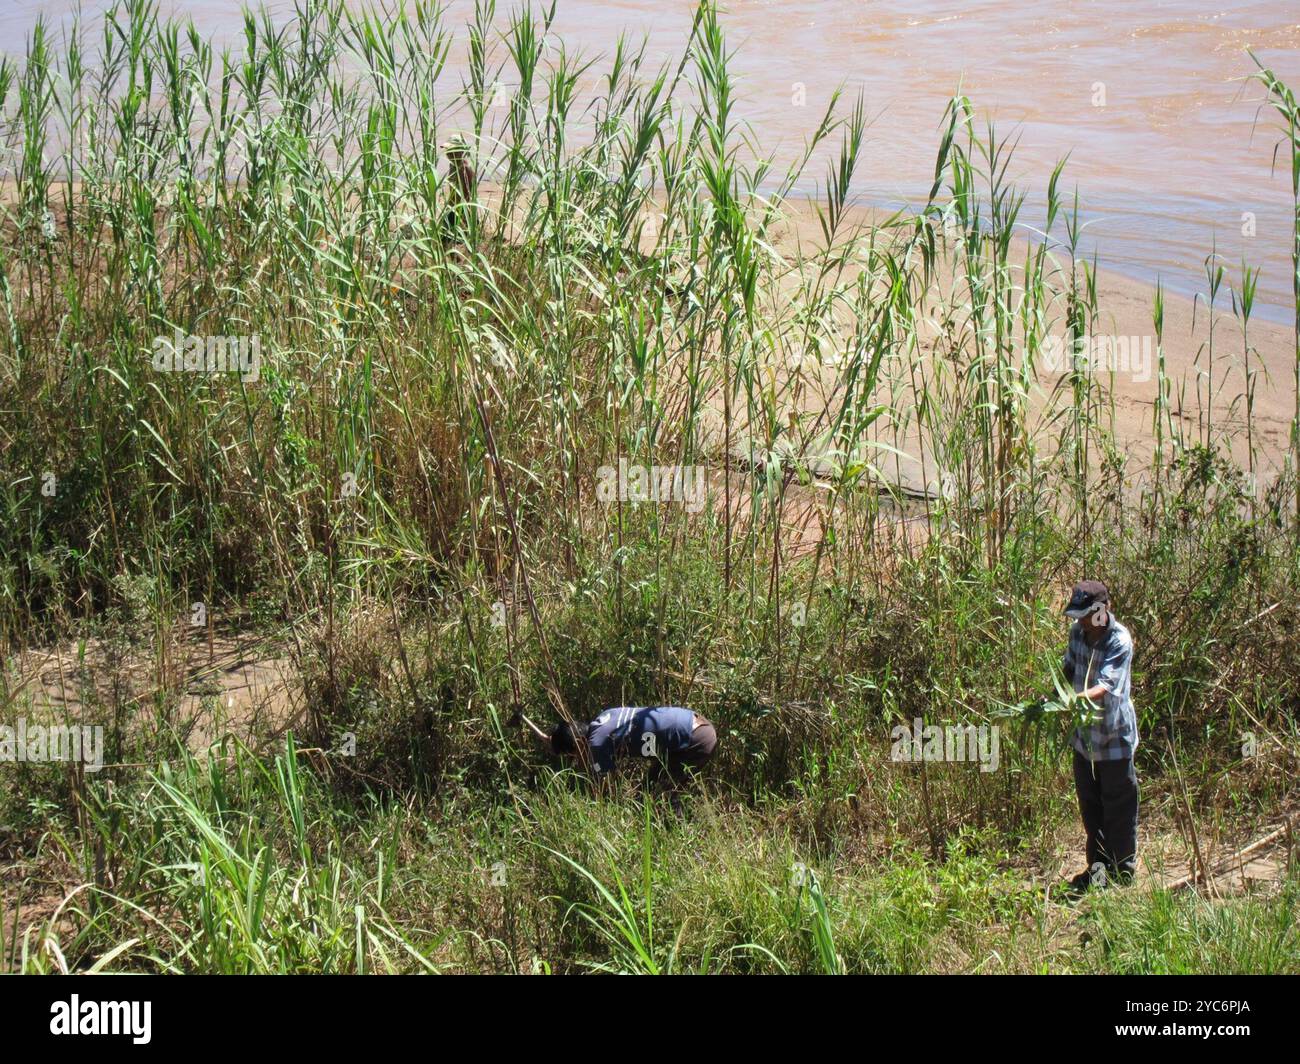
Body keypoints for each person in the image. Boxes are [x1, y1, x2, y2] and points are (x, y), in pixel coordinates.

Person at [1058, 580, 1139, 896]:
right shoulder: (1078, 634)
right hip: (1084, 740)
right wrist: (1049, 698)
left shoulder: (1119, 641)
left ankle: (1123, 874)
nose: (1079, 622)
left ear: (1102, 610)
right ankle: (1098, 873)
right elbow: (1068, 668)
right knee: (1091, 809)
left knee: (1118, 807)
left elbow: (1105, 686)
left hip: (1113, 738)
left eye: (1084, 615)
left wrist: (1075, 700)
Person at [548, 706, 717, 791]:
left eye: (572, 754)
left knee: (664, 795)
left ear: (577, 744)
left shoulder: (596, 745)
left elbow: (604, 786)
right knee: (647, 790)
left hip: (695, 739)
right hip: (694, 724)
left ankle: (679, 843)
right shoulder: (604, 717)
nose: (576, 757)